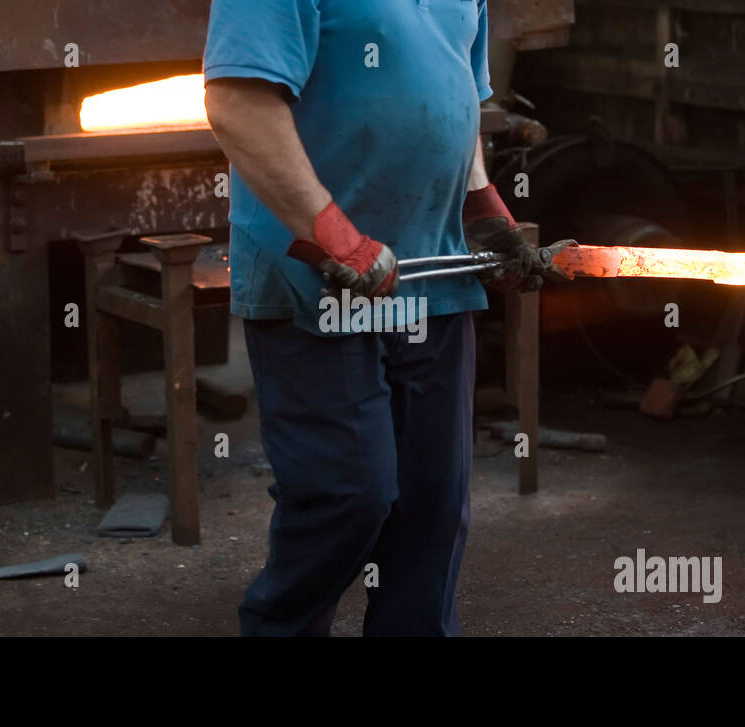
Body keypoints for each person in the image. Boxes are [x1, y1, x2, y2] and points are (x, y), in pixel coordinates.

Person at [203, 0, 539, 636]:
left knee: (434, 501)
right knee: (348, 494)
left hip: (432, 272)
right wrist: (331, 231)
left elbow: (458, 86)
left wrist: (480, 202)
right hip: (316, 281)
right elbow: (237, 102)